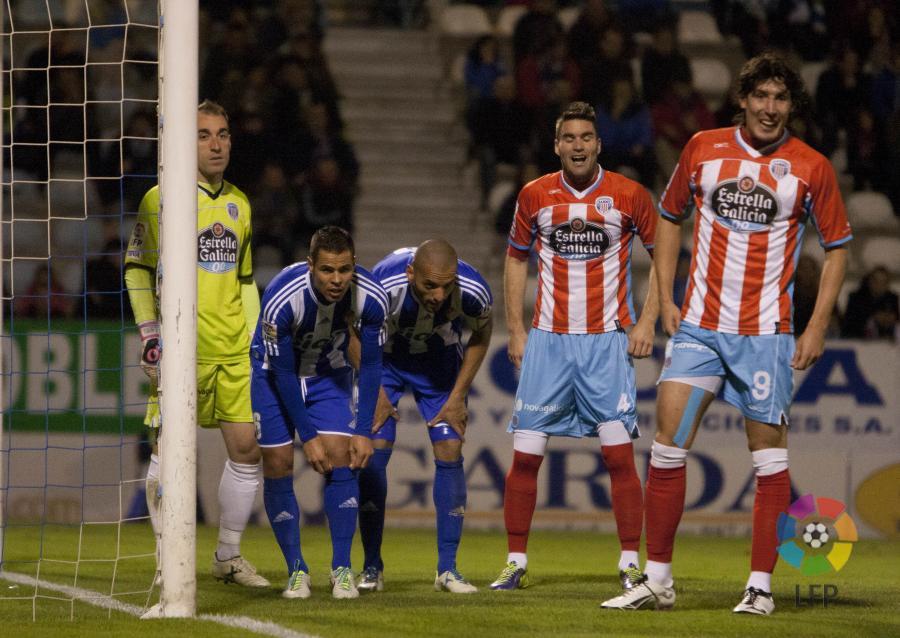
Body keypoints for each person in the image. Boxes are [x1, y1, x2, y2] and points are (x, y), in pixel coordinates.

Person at [601, 52, 852, 615]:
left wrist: (816, 326)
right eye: (760, 96)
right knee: (666, 447)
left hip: (766, 335)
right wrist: (667, 298)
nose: (770, 107)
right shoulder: (703, 148)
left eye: (780, 98)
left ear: (791, 105)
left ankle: (760, 587)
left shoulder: (810, 167)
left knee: (768, 459)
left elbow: (837, 249)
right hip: (700, 328)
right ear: (742, 99)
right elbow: (670, 217)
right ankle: (658, 581)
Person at [491, 102, 659, 594]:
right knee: (526, 458)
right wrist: (516, 329)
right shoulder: (534, 195)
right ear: (557, 145)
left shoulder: (629, 195)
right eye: (570, 138)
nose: (578, 145)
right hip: (548, 342)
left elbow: (664, 256)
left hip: (607, 343)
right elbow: (515, 260)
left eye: (586, 137)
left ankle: (629, 563)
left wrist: (647, 321)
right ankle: (515, 562)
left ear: (599, 145)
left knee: (619, 458)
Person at [124, 100, 269, 588]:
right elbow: (137, 270)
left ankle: (228, 554)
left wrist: (255, 338)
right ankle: (167, 557)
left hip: (232, 350)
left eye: (223, 134)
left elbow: (244, 280)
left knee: (247, 449)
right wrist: (151, 334)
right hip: (182, 350)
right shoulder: (159, 198)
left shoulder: (240, 203)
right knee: (168, 451)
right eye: (204, 134)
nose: (216, 144)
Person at [252, 225, 387, 600]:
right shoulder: (282, 298)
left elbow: (371, 365)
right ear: (310, 264)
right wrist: (308, 437)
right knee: (279, 462)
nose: (337, 280)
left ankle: (341, 568)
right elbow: (282, 374)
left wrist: (364, 430)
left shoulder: (371, 296)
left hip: (328, 372)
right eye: (327, 270)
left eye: (344, 269)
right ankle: (296, 570)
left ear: (354, 264)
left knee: (342, 456)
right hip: (274, 376)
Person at [356, 241, 493, 594]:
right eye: (429, 285)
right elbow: (354, 337)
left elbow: (482, 332)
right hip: (384, 361)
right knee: (375, 450)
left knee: (450, 447)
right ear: (410, 274)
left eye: (446, 286)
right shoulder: (381, 286)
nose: (438, 295)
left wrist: (459, 395)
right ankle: (371, 567)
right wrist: (376, 392)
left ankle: (448, 570)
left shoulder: (473, 291)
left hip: (439, 362)